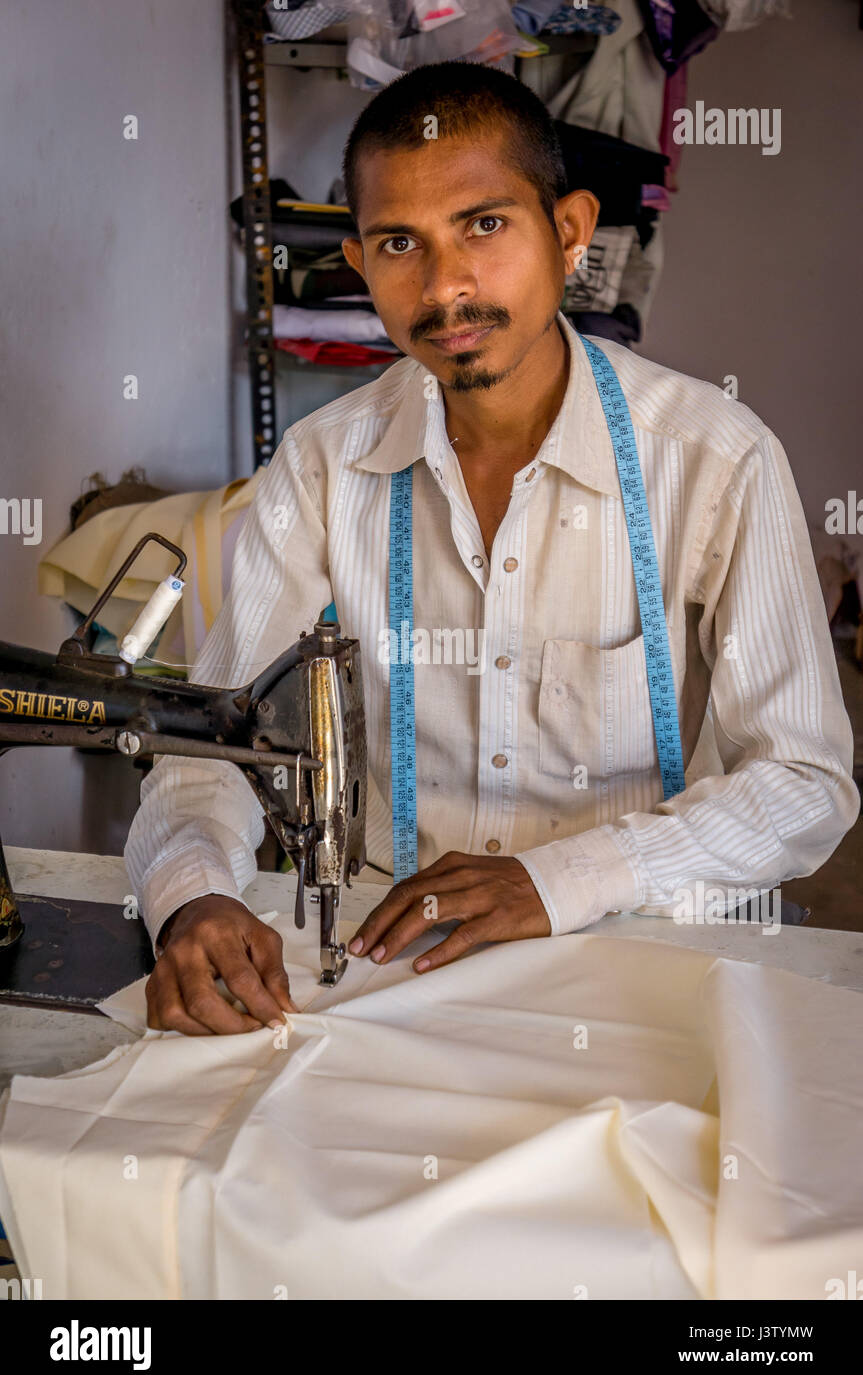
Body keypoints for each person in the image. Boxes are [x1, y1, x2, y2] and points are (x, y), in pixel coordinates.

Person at [126, 60, 858, 1036]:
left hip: (637, 950)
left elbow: (803, 783)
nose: (444, 286)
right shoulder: (320, 468)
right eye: (399, 244)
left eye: (483, 224)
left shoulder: (714, 460)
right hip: (399, 960)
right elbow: (206, 744)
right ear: (358, 265)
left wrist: (552, 880)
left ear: (567, 232)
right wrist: (192, 892)